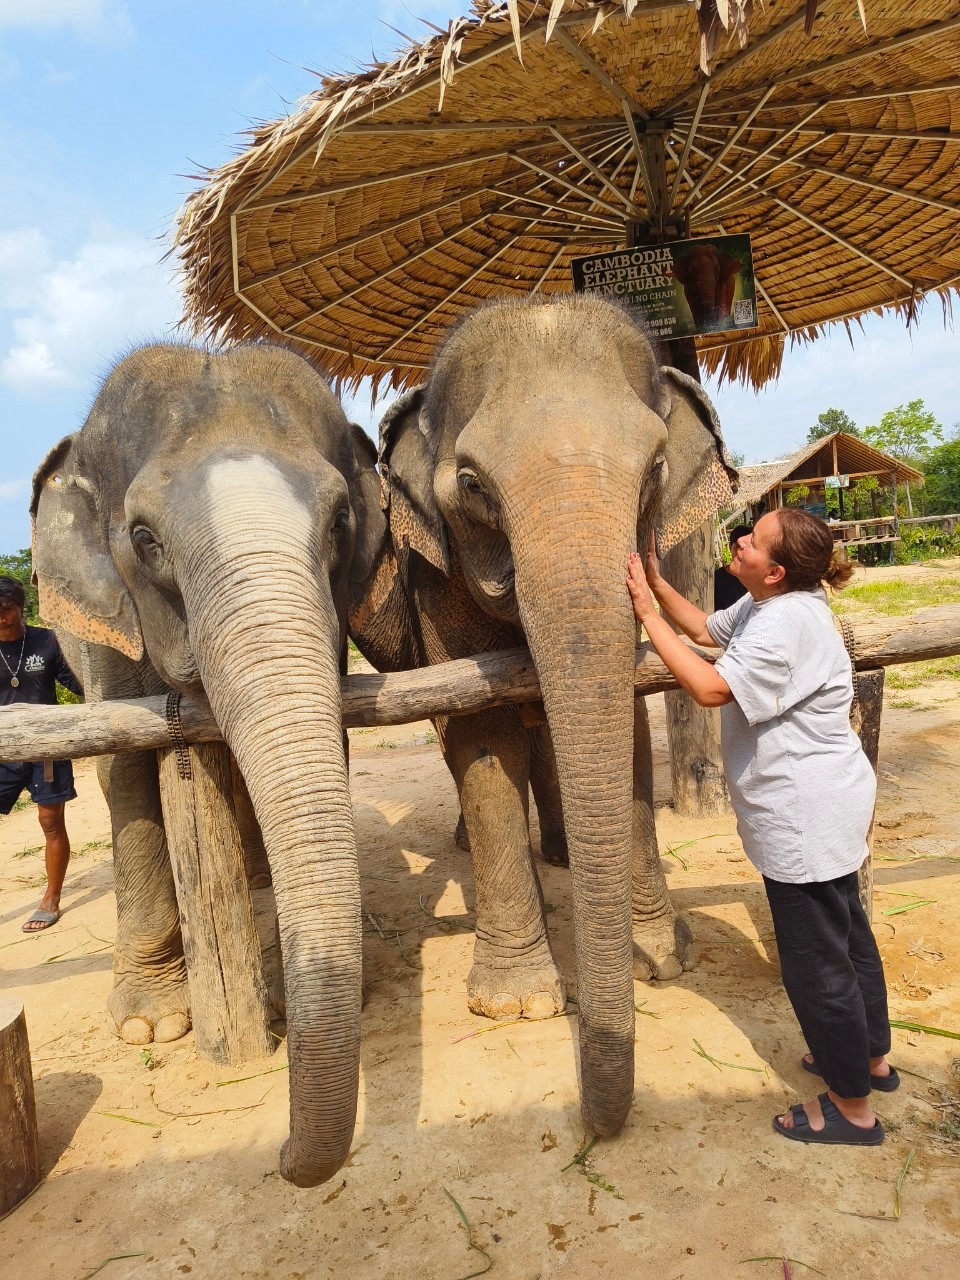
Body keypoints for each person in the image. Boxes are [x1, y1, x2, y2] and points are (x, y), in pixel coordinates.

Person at [627, 510, 896, 1147]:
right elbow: (705, 629)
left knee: (815, 963)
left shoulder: (785, 623)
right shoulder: (767, 603)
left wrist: (643, 614)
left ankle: (851, 1109)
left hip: (803, 814)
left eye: (751, 539)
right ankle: (871, 1061)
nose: (739, 540)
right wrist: (661, 587)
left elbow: (710, 687)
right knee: (849, 932)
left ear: (774, 570)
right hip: (824, 805)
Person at [0, 576, 83, 932]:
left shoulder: (47, 641)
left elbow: (76, 682)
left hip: (47, 749)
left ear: (21, 607)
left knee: (50, 823)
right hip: (3, 751)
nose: (2, 619)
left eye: (6, 611)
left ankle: (51, 897)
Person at [713, 524, 751, 611]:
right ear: (730, 547)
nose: (741, 553)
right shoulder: (717, 579)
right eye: (738, 547)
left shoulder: (758, 579)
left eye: (747, 548)